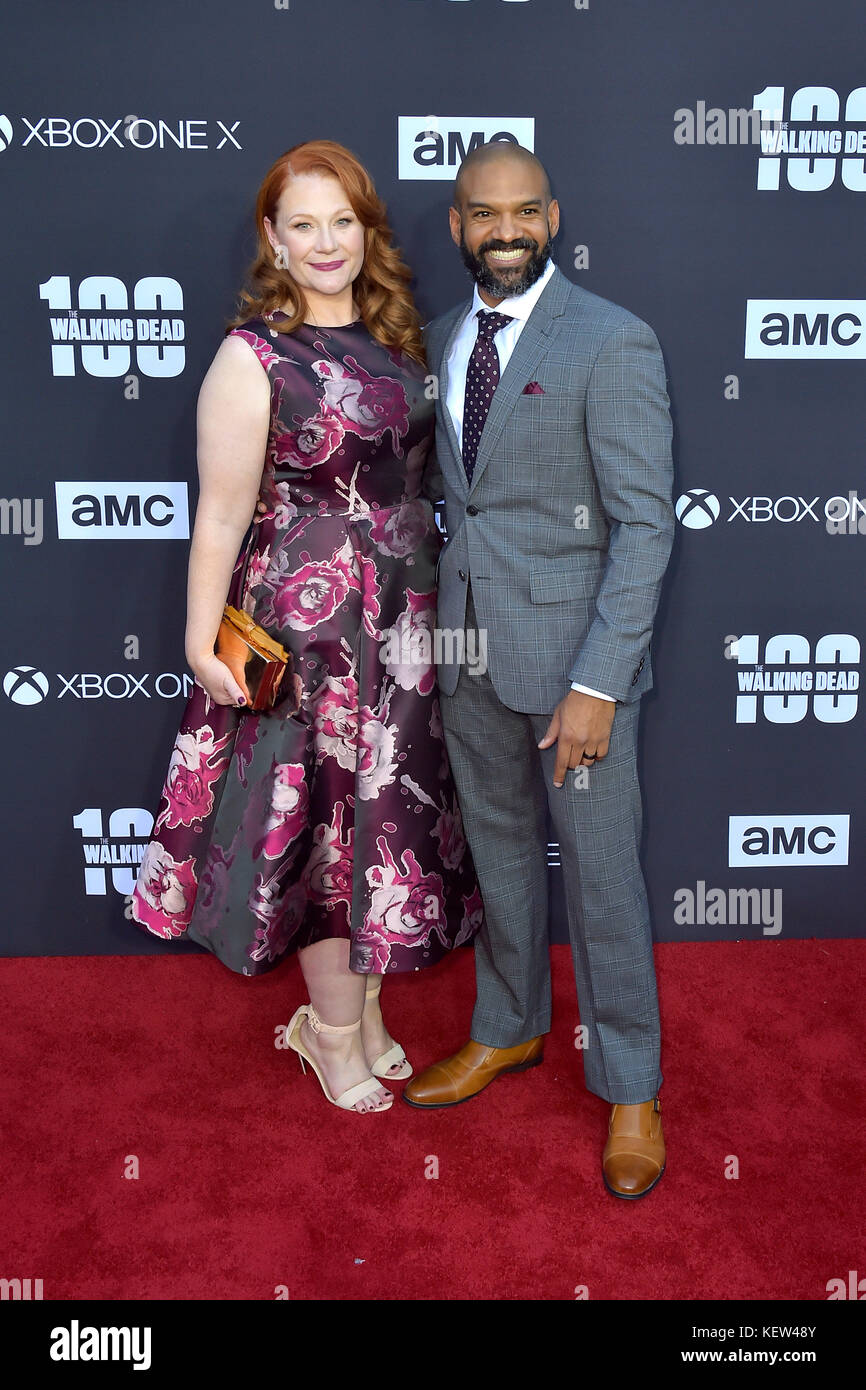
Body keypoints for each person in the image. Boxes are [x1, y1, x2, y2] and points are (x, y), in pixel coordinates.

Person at [130, 140, 483, 1115]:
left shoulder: (400, 344)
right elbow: (219, 514)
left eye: (343, 221)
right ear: (272, 242)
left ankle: (359, 1015)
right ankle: (327, 1034)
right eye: (304, 225)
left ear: (366, 232)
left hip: (407, 627)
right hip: (311, 632)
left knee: (385, 825)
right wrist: (203, 640)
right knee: (329, 829)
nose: (326, 241)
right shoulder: (252, 357)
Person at [406, 142, 675, 1199]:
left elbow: (644, 528)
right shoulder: (438, 340)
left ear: (551, 217)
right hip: (465, 653)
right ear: (456, 224)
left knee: (602, 883)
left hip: (575, 672)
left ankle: (631, 1087)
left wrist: (598, 683)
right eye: (484, 212)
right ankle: (507, 1029)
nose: (504, 230)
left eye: (523, 212)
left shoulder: (612, 341)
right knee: (501, 861)